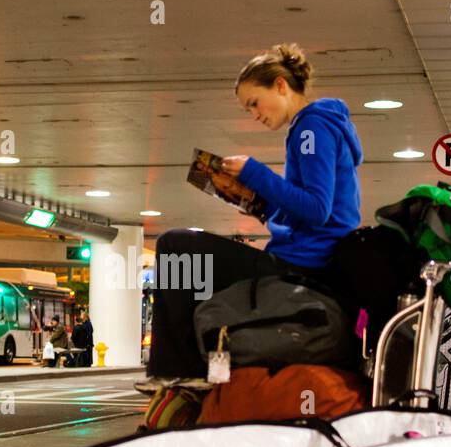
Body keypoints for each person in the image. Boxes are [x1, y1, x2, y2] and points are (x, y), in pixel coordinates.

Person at [137, 43, 363, 392]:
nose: (253, 114)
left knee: (177, 246)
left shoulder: (311, 129)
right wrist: (256, 203)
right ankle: (206, 371)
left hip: (305, 266)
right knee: (199, 261)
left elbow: (318, 209)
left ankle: (177, 368)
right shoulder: (312, 127)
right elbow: (307, 210)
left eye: (254, 103)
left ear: (280, 86)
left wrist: (255, 173)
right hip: (307, 258)